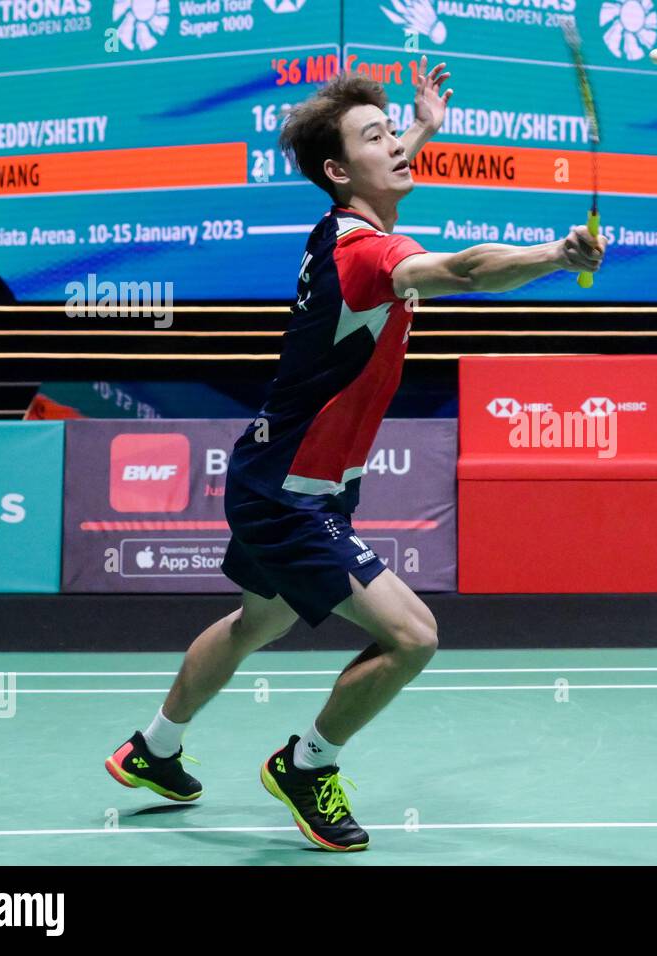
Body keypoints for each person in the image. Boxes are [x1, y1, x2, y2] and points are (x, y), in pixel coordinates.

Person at [105, 60, 608, 850]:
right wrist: (556, 256)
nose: (399, 148)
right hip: (290, 494)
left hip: (281, 474)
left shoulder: (344, 225)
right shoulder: (370, 257)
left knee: (253, 624)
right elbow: (463, 269)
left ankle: (153, 750)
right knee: (414, 636)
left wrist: (423, 123)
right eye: (377, 139)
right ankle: (308, 765)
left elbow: (383, 168)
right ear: (339, 169)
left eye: (393, 134)